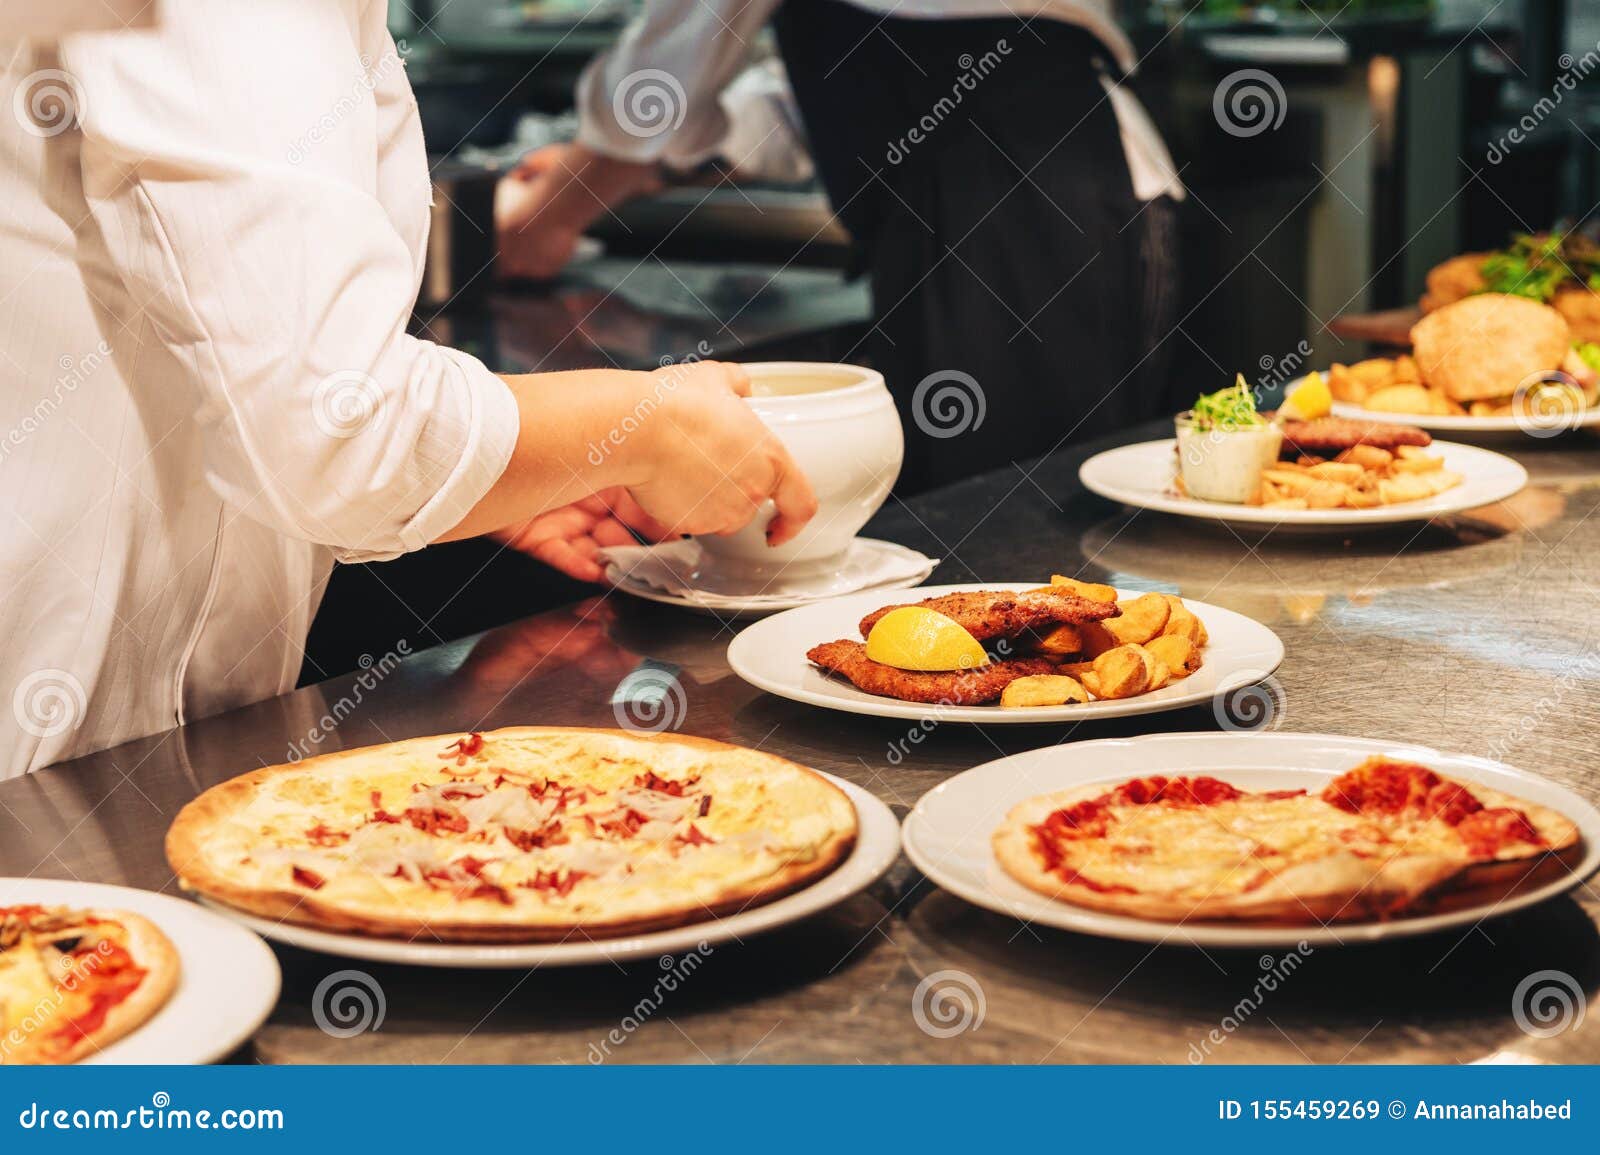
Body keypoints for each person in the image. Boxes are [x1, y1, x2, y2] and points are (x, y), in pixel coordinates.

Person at [0, 2, 817, 779]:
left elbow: (236, 352)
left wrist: (502, 473)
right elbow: (333, 428)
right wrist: (649, 428)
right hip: (45, 730)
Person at [499, 0, 1186, 494]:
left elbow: (666, 71)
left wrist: (550, 214)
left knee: (1022, 524)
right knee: (982, 524)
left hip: (1030, 204)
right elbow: (821, 98)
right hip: (1020, 201)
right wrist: (632, 164)